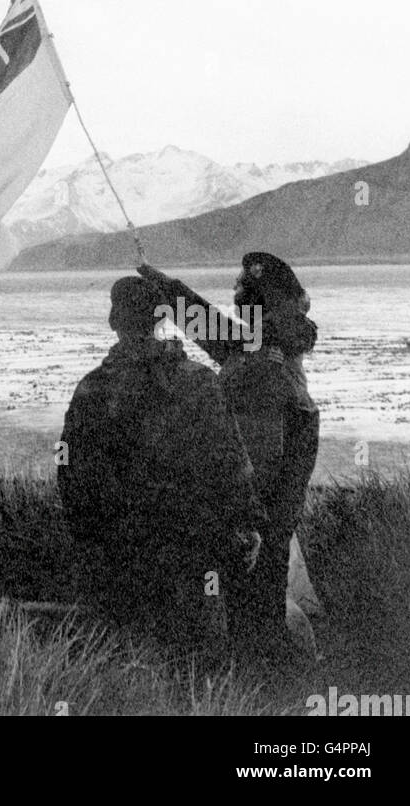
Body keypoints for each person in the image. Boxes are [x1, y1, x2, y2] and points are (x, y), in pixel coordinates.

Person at [57, 276, 264, 655]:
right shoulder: (199, 384)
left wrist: (87, 536)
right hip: (190, 549)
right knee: (197, 665)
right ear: (162, 319)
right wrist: (244, 524)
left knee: (119, 660)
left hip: (117, 552)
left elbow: (69, 472)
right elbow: (229, 462)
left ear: (113, 320)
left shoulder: (91, 390)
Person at [138, 253, 320, 661]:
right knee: (260, 603)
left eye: (241, 292)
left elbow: (262, 458)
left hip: (256, 513)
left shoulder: (260, 366)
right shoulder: (264, 348)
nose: (234, 297)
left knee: (252, 610)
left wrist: (246, 520)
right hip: (268, 512)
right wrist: (165, 286)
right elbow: (207, 324)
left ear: (258, 304)